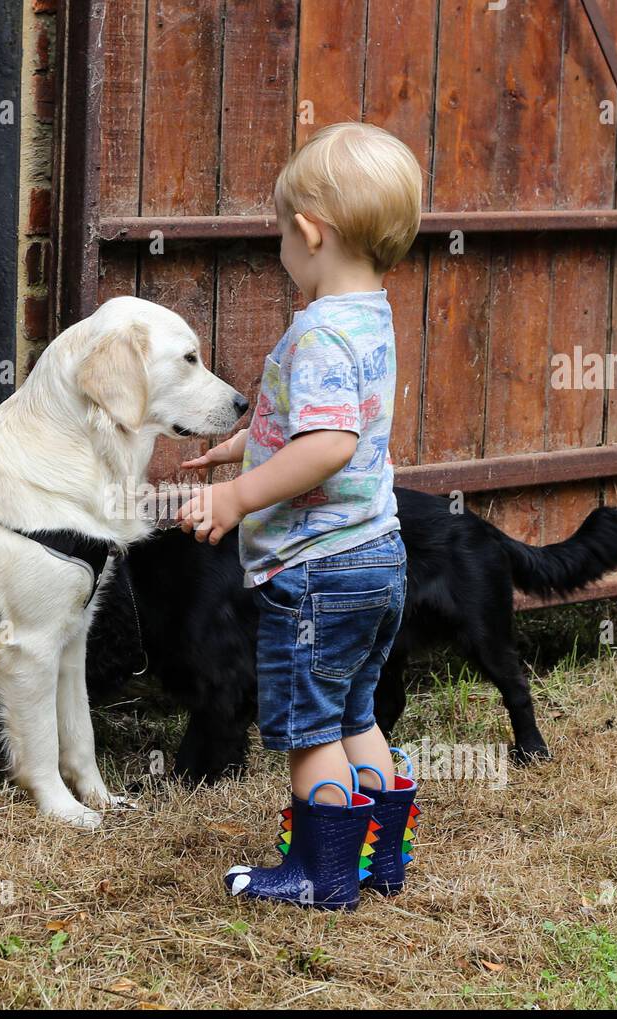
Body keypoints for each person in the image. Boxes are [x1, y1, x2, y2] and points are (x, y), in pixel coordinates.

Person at [177, 122, 423, 909]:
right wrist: (245, 447)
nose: (280, 246)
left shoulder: (316, 331)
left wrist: (236, 497)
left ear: (310, 233)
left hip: (317, 571)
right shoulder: (371, 315)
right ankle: (379, 860)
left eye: (282, 232)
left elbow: (325, 445)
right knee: (357, 713)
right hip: (377, 557)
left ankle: (320, 876)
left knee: (309, 729)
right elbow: (315, 425)